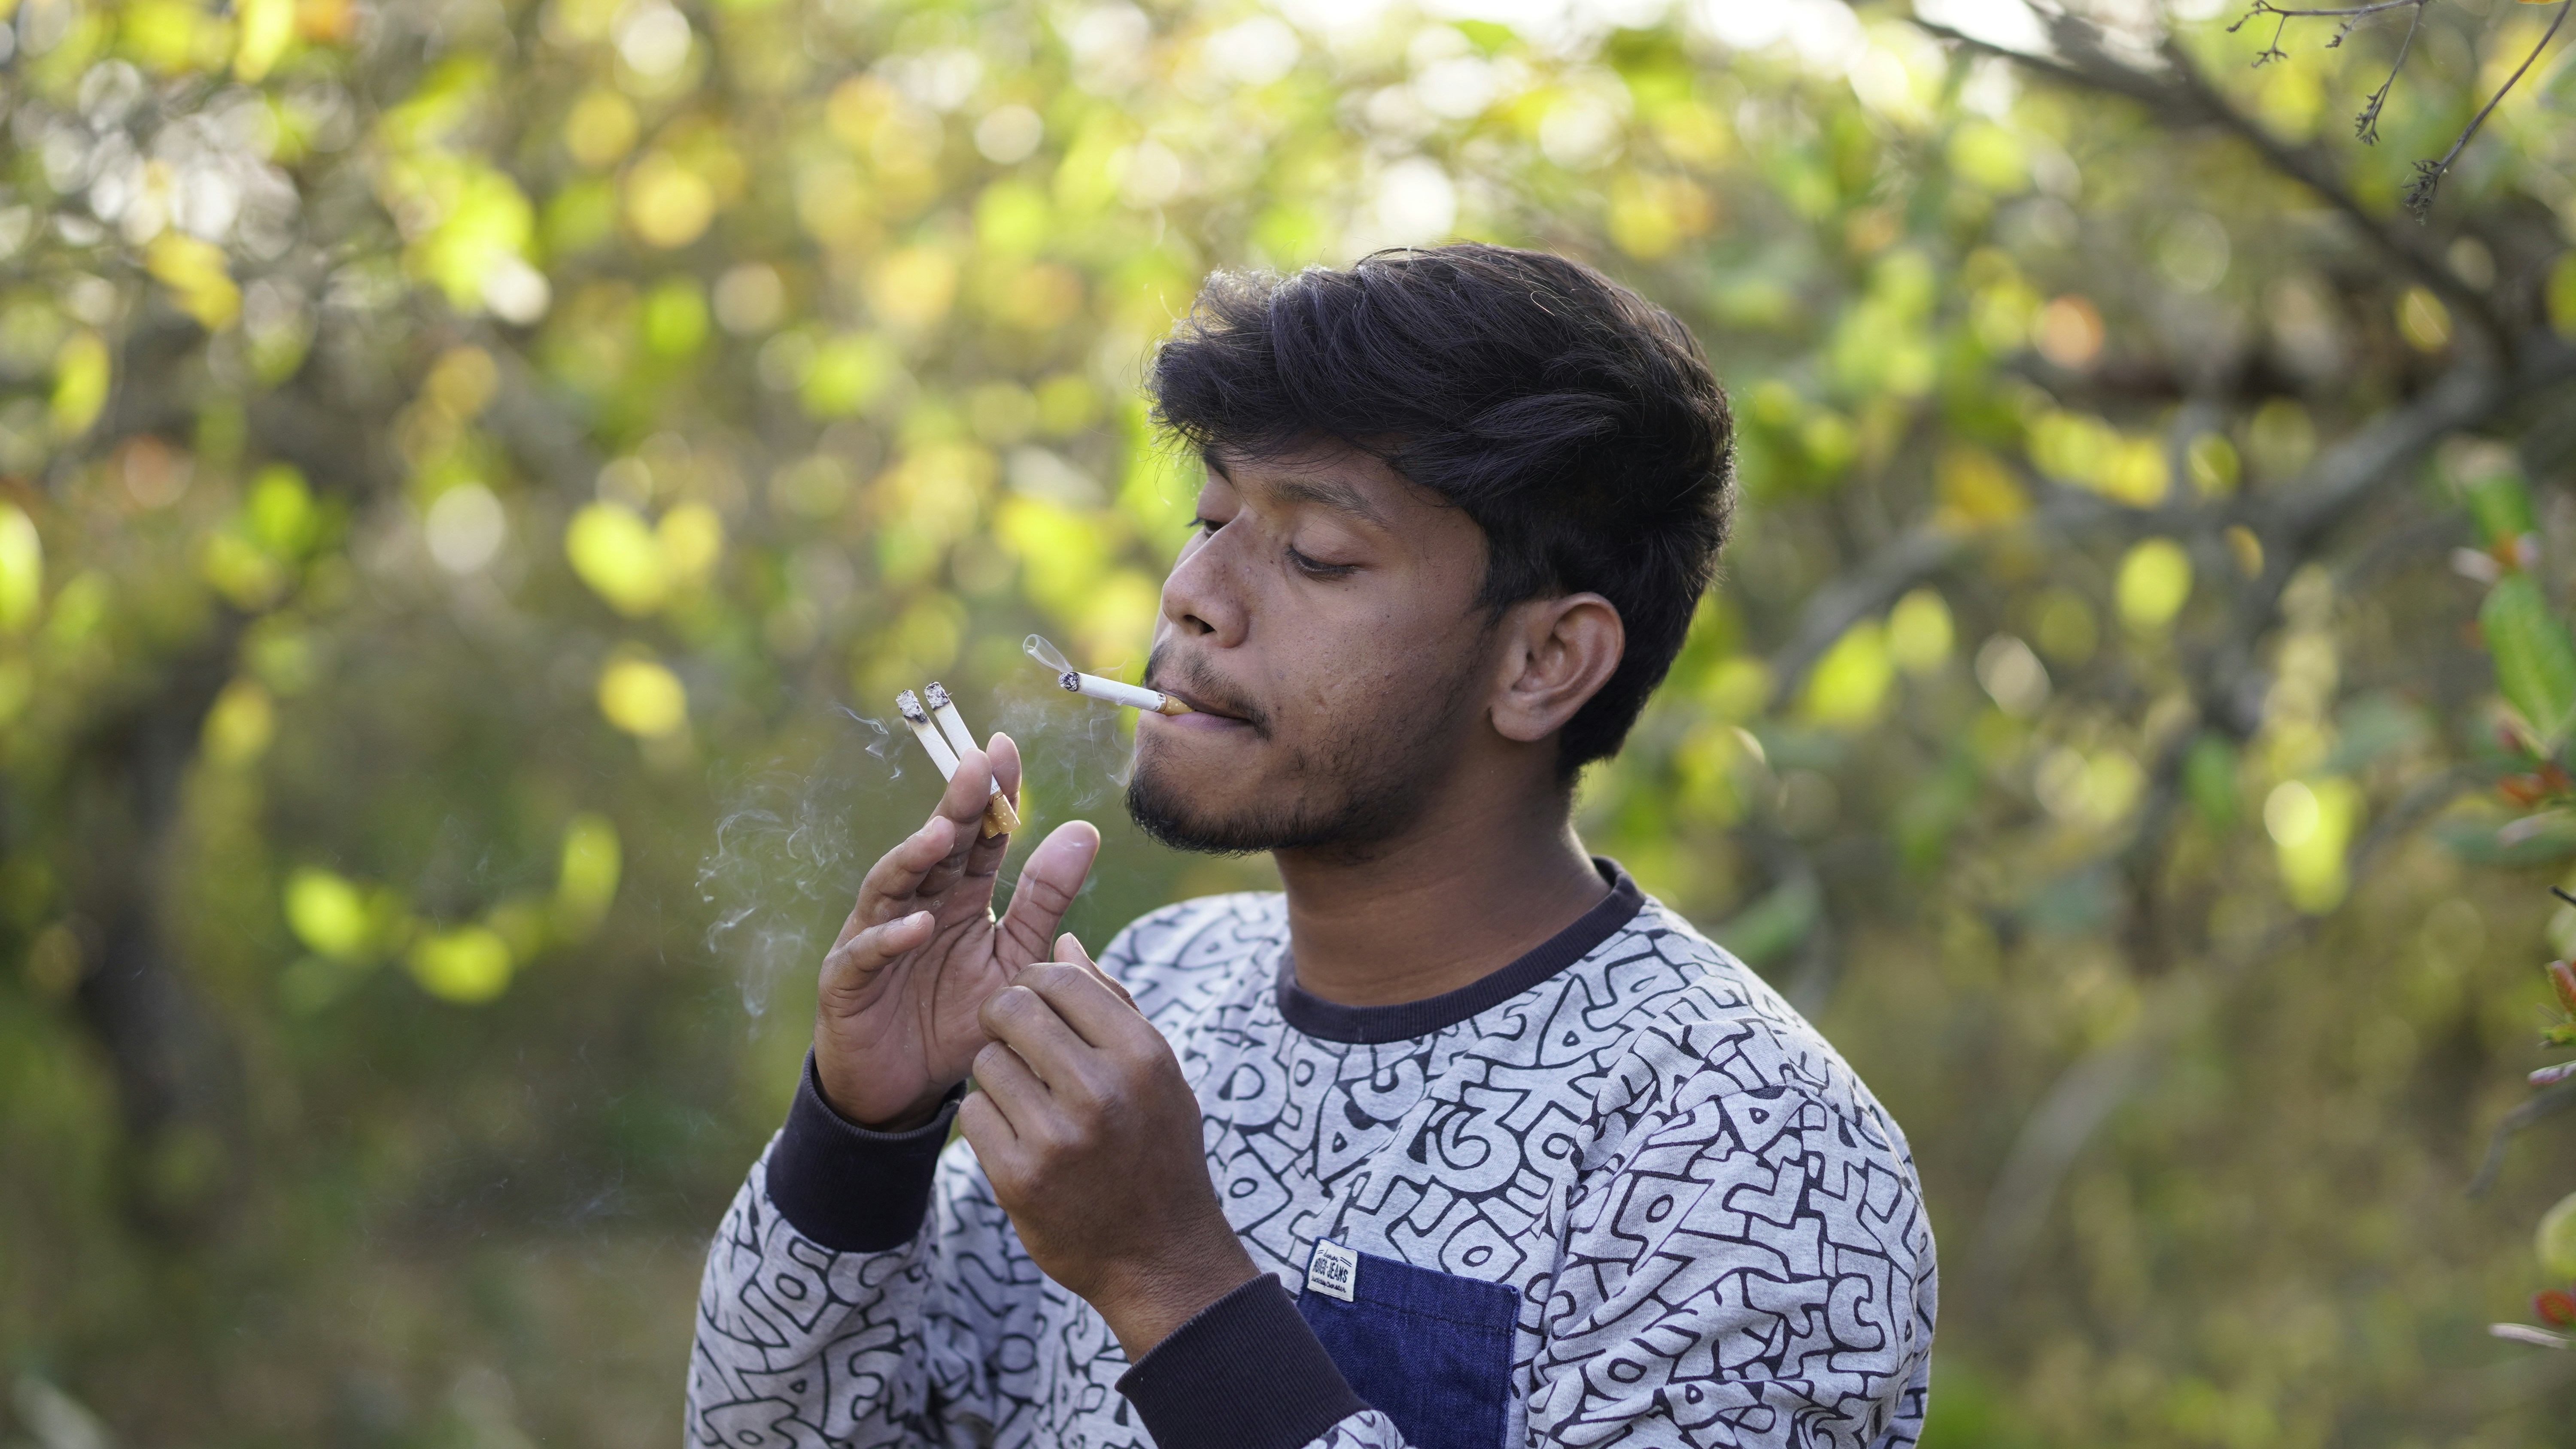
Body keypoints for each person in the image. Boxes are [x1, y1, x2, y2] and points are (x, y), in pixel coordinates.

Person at [684, 244, 1935, 1449]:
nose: (1196, 594)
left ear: (1546, 662)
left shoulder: (1747, 1150)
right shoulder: (1160, 989)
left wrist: (1168, 1280)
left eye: (1316, 554)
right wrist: (865, 1135)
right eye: (1210, 515)